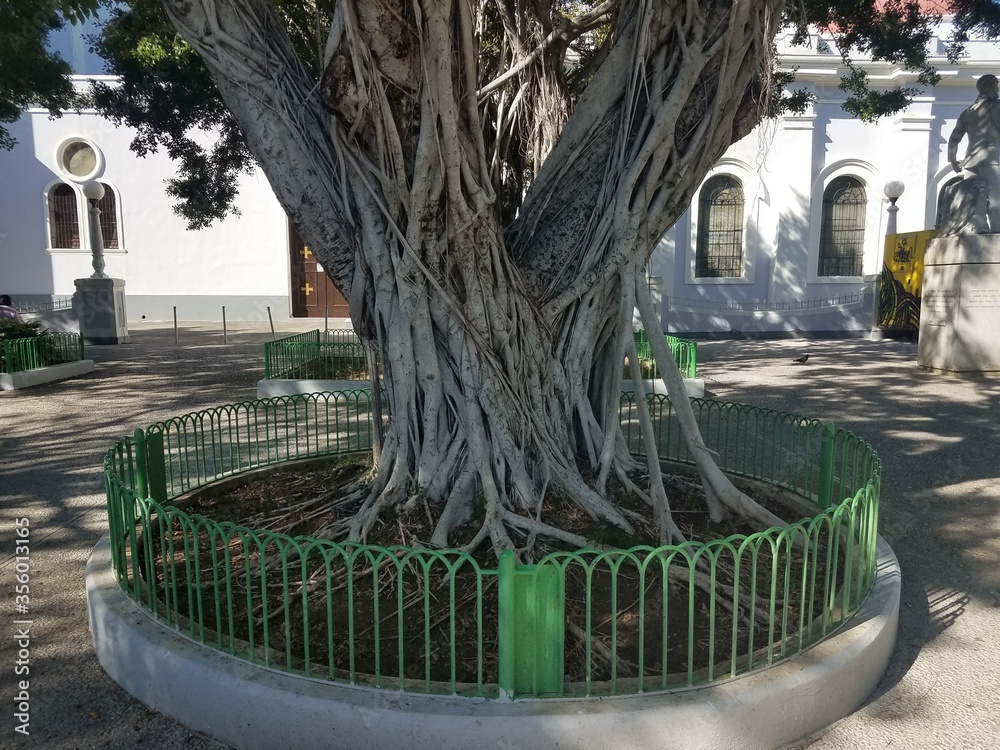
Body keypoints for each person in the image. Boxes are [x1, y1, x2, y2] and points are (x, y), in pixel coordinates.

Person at [948, 74, 1000, 232]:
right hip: (989, 157)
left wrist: (952, 159)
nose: (998, 88)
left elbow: (954, 137)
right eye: (996, 85)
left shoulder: (968, 112)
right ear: (991, 87)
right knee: (994, 198)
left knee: (972, 197)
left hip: (970, 159)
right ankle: (998, 231)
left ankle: (973, 229)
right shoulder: (996, 106)